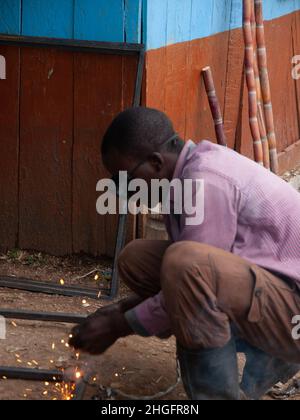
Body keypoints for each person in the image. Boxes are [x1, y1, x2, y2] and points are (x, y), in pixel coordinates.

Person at [69, 107, 300, 400]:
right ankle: (269, 356)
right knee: (137, 259)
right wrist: (124, 310)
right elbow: (195, 283)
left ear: (155, 163)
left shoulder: (205, 181)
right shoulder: (184, 175)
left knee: (183, 263)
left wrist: (118, 325)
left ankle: (222, 392)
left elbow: (194, 276)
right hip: (275, 290)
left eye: (125, 178)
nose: (122, 190)